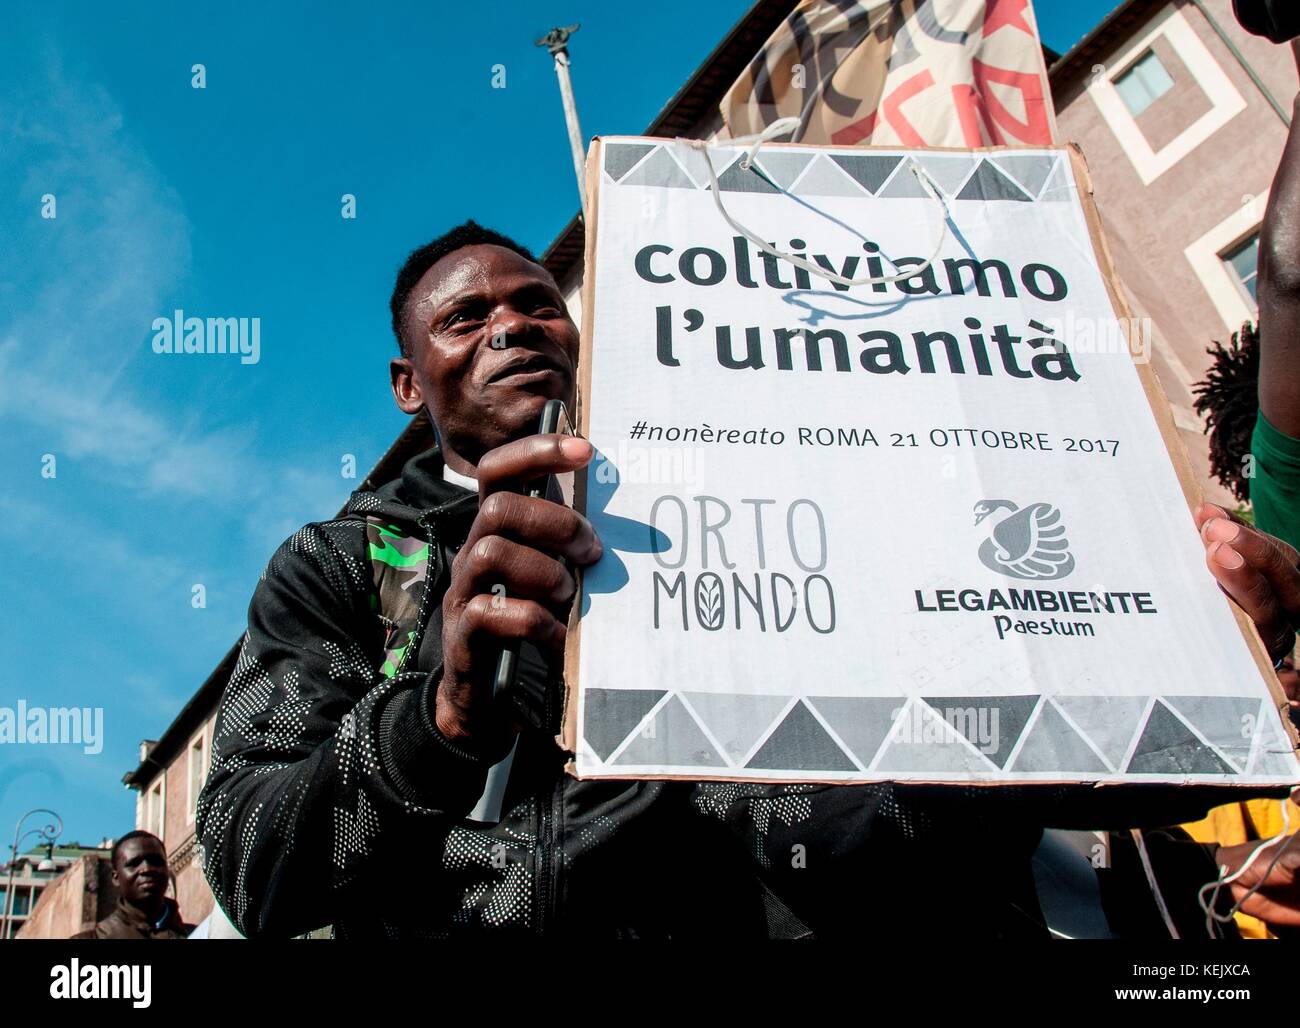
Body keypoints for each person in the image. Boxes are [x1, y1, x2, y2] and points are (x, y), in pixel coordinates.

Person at [196, 221, 1300, 939]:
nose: (513, 326)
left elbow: (936, 759)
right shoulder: (336, 566)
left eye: (537, 302)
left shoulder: (758, 485)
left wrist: (1212, 666)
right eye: (466, 316)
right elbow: (253, 859)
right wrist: (430, 717)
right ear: (407, 382)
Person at [72, 831, 194, 939]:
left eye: (156, 862)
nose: (146, 869)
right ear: (116, 878)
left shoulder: (201, 935)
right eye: (134, 864)